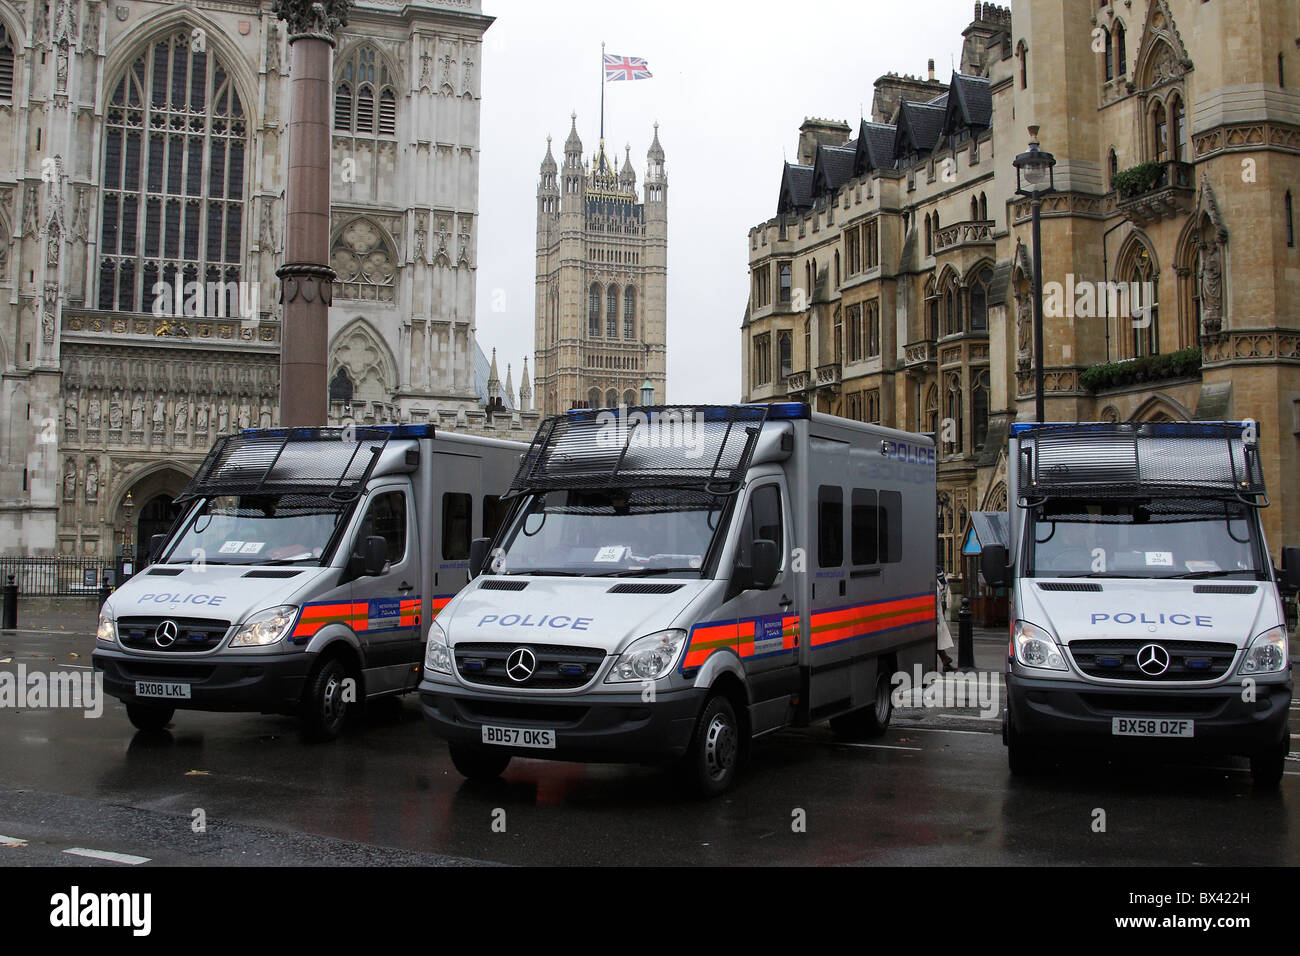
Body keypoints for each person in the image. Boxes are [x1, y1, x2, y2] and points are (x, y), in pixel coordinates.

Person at [936, 566, 957, 672]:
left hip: (936, 614)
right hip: (935, 614)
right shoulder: (936, 574)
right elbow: (943, 588)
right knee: (937, 638)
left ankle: (945, 660)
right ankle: (945, 660)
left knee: (938, 637)